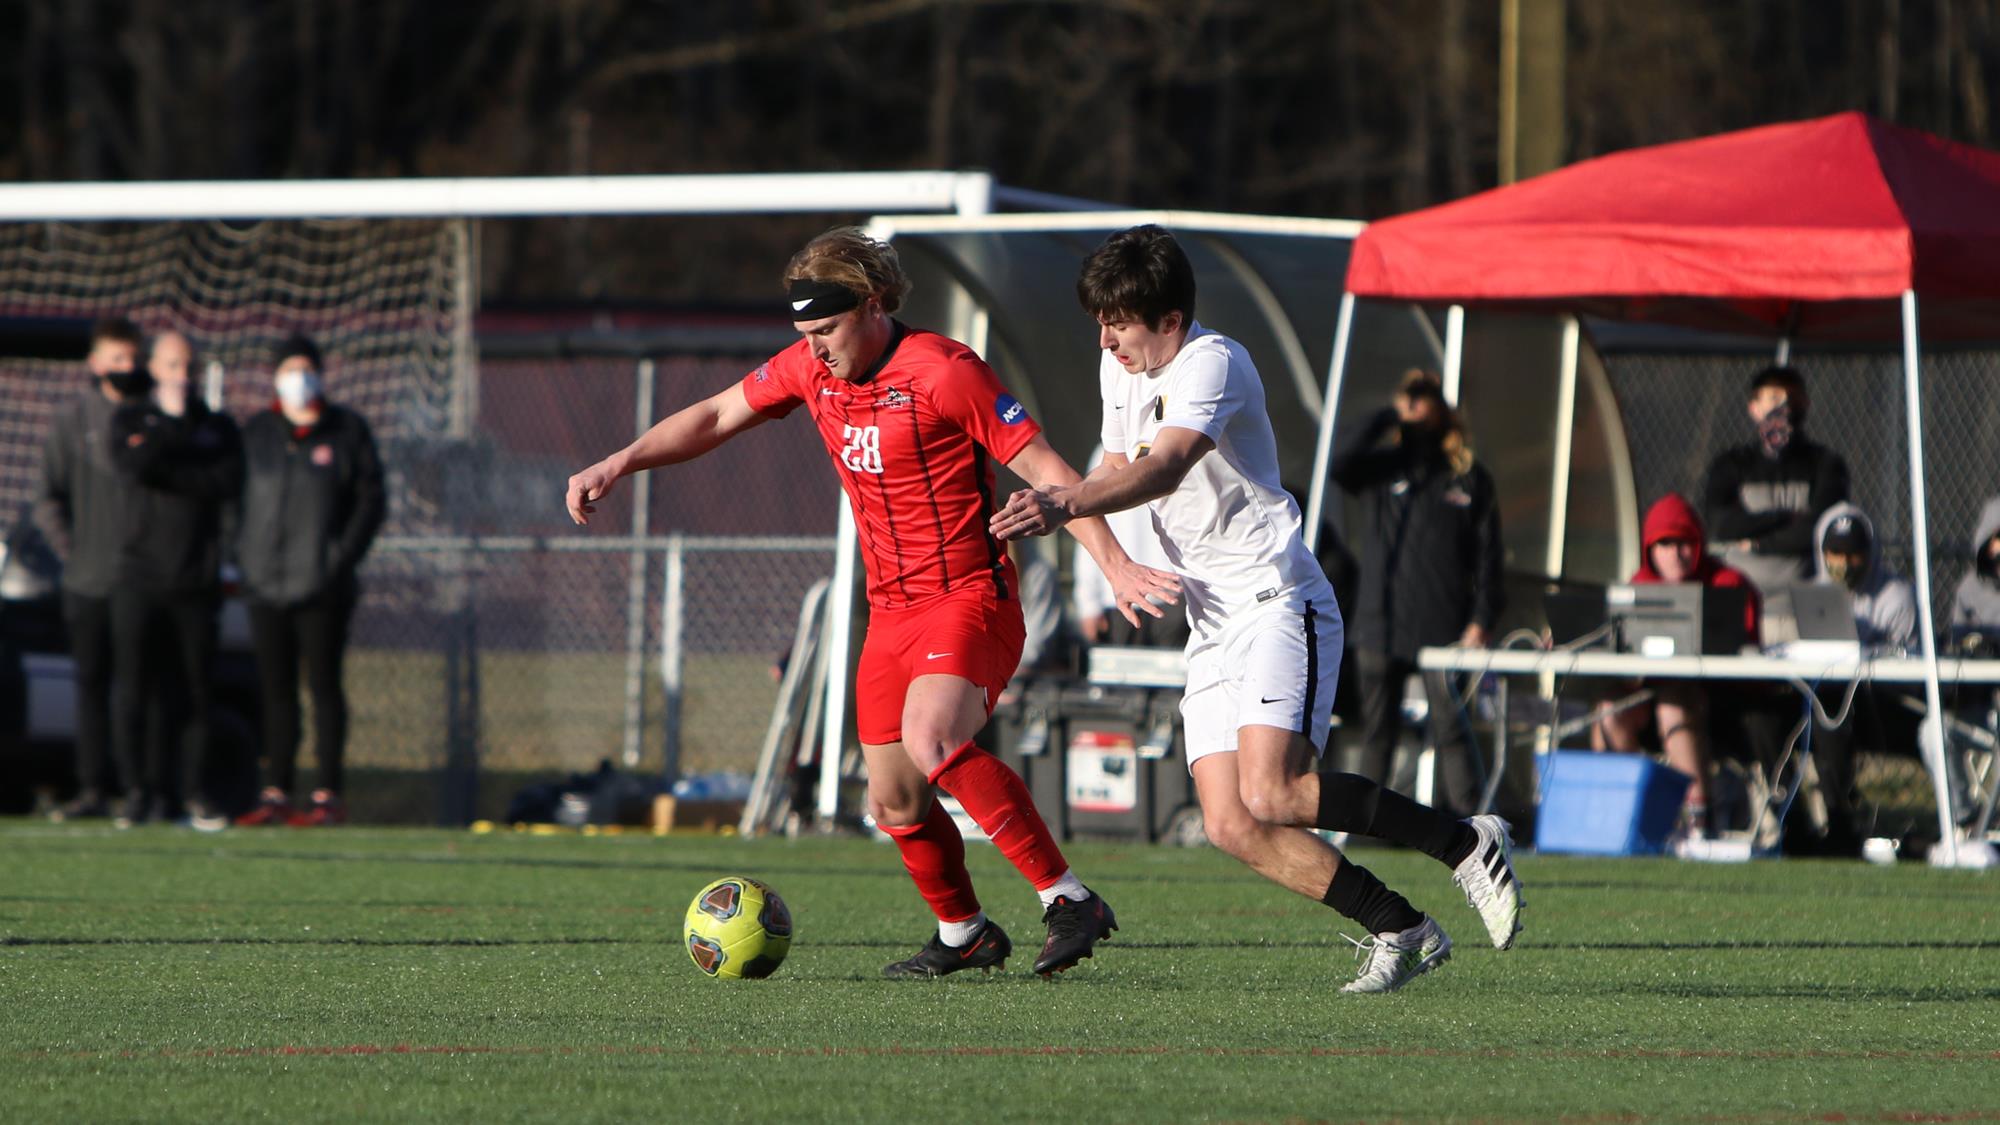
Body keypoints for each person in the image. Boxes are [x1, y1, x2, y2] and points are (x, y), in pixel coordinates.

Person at [565, 227, 1178, 979]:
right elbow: (718, 415)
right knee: (892, 798)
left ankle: (1068, 897)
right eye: (805, 334)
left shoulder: (945, 371)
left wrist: (1114, 564)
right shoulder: (809, 371)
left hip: (968, 597)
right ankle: (965, 933)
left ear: (875, 304)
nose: (815, 349)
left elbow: (1048, 469)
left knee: (932, 737)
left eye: (826, 329)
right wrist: (621, 460)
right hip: (889, 613)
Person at [991, 225, 1520, 994]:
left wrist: (1060, 500)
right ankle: (1402, 927)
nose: (1104, 338)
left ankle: (1466, 841)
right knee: (1231, 822)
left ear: (1169, 319)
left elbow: (1165, 465)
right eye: (1099, 321)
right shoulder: (1123, 369)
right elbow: (1111, 468)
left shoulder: (1215, 361)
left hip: (1278, 600)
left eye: (1118, 322)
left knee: (1275, 791)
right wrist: (1113, 562)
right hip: (1211, 619)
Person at [1331, 368, 1503, 819]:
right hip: (1378, 625)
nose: (1418, 406)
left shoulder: (1467, 478)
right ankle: (1363, 825)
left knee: (1451, 725)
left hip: (1442, 626)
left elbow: (1490, 558)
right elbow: (1340, 462)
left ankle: (1476, 826)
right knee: (1377, 732)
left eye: (1426, 398)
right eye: (1412, 397)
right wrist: (1390, 413)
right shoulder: (1382, 469)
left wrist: (1481, 619)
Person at [236, 333, 386, 827]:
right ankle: (275, 789)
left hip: (323, 584)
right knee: (275, 690)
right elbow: (230, 502)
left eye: (306, 367)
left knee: (323, 686)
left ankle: (327, 794)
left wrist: (337, 557)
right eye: (289, 368)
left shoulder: (345, 431)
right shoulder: (257, 432)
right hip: (266, 582)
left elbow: (370, 500)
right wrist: (244, 558)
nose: (299, 377)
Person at [105, 331, 244, 829]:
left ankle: (193, 793)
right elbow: (134, 468)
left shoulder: (217, 427)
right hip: (138, 578)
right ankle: (138, 793)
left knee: (195, 693)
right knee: (134, 691)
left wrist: (175, 455)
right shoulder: (130, 418)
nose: (180, 376)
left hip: (195, 581)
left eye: (187, 366)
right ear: (154, 369)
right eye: (171, 366)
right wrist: (166, 427)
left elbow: (224, 483)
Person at [1590, 494, 1761, 833]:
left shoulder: (1727, 584)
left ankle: (1700, 819)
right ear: (1650, 549)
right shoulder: (1637, 588)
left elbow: (1748, 649)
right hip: (1649, 695)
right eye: (1665, 543)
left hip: (1718, 701)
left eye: (1684, 542)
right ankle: (1622, 817)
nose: (1675, 553)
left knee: (1673, 704)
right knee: (1609, 708)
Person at [36, 317, 148, 824]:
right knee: (91, 684)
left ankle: (140, 789)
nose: (125, 368)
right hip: (86, 578)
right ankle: (91, 788)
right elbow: (47, 497)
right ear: (96, 362)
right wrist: (71, 550)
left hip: (142, 579)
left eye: (132, 358)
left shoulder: (152, 416)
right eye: (116, 358)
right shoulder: (72, 418)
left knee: (137, 687)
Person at [1797, 502, 1919, 854]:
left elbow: (1908, 671)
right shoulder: (1815, 594)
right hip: (1828, 702)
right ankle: (1794, 822)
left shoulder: (1895, 596)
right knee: (1797, 715)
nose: (1845, 564)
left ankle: (1840, 824)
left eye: (1854, 555)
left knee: (1833, 716)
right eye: (1836, 554)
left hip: (1884, 708)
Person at [1702, 366, 1850, 599]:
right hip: (1739, 599)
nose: (1784, 407)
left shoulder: (1825, 464)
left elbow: (1821, 528)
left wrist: (1757, 544)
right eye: (1774, 398)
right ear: (1754, 408)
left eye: (1792, 398)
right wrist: (1783, 517)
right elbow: (1721, 525)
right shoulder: (1731, 465)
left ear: (1806, 404)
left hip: (1804, 601)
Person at [1069, 445, 1188, 649]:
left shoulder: (1180, 443)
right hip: (1121, 597)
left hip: (1173, 592)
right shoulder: (1106, 452)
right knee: (1123, 675)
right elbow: (1089, 523)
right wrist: (1088, 603)